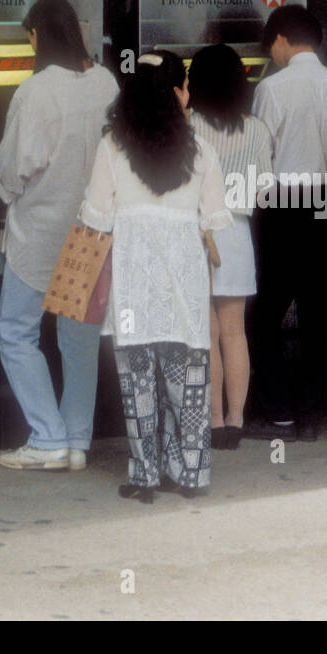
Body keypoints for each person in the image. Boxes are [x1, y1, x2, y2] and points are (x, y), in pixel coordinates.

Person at [80, 51, 232, 502]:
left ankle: (145, 475)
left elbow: (97, 215)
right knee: (187, 381)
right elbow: (215, 215)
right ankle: (191, 474)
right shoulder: (201, 150)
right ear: (177, 93)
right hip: (183, 278)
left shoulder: (111, 147)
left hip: (132, 277)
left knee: (138, 379)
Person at [0, 0, 118, 471]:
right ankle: (77, 441)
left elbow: (16, 167)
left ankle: (47, 438)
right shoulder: (105, 81)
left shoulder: (37, 90)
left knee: (15, 332)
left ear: (37, 35)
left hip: (40, 237)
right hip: (90, 231)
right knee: (78, 339)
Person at [245, 5, 327, 442]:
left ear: (280, 40)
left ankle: (277, 409)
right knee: (322, 311)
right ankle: (313, 411)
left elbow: (260, 151)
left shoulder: (271, 89)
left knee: (266, 310)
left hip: (282, 204)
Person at [187, 44, 275, 450]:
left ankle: (214, 421)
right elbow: (264, 190)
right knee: (235, 333)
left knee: (206, 334)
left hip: (196, 233)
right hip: (237, 234)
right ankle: (238, 420)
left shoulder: (187, 126)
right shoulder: (256, 129)